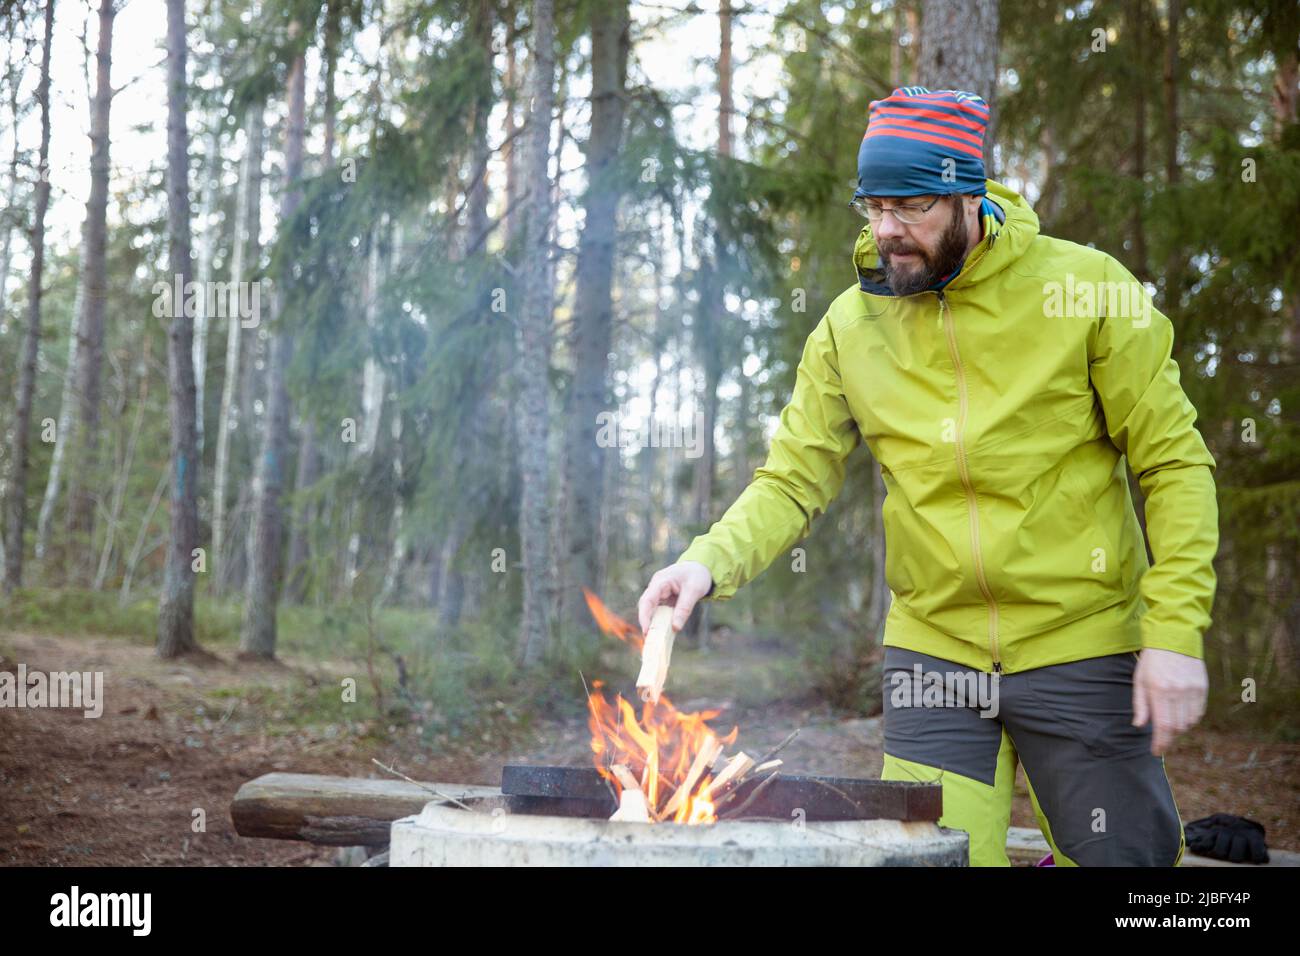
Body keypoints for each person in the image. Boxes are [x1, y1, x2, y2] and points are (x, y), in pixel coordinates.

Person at [636, 86, 1218, 866]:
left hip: (1082, 643)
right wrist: (704, 562)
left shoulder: (1088, 291)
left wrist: (1175, 634)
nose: (885, 232)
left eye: (911, 207)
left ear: (968, 197)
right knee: (930, 862)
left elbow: (1173, 463)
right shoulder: (850, 325)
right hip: (934, 658)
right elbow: (791, 479)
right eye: (872, 206)